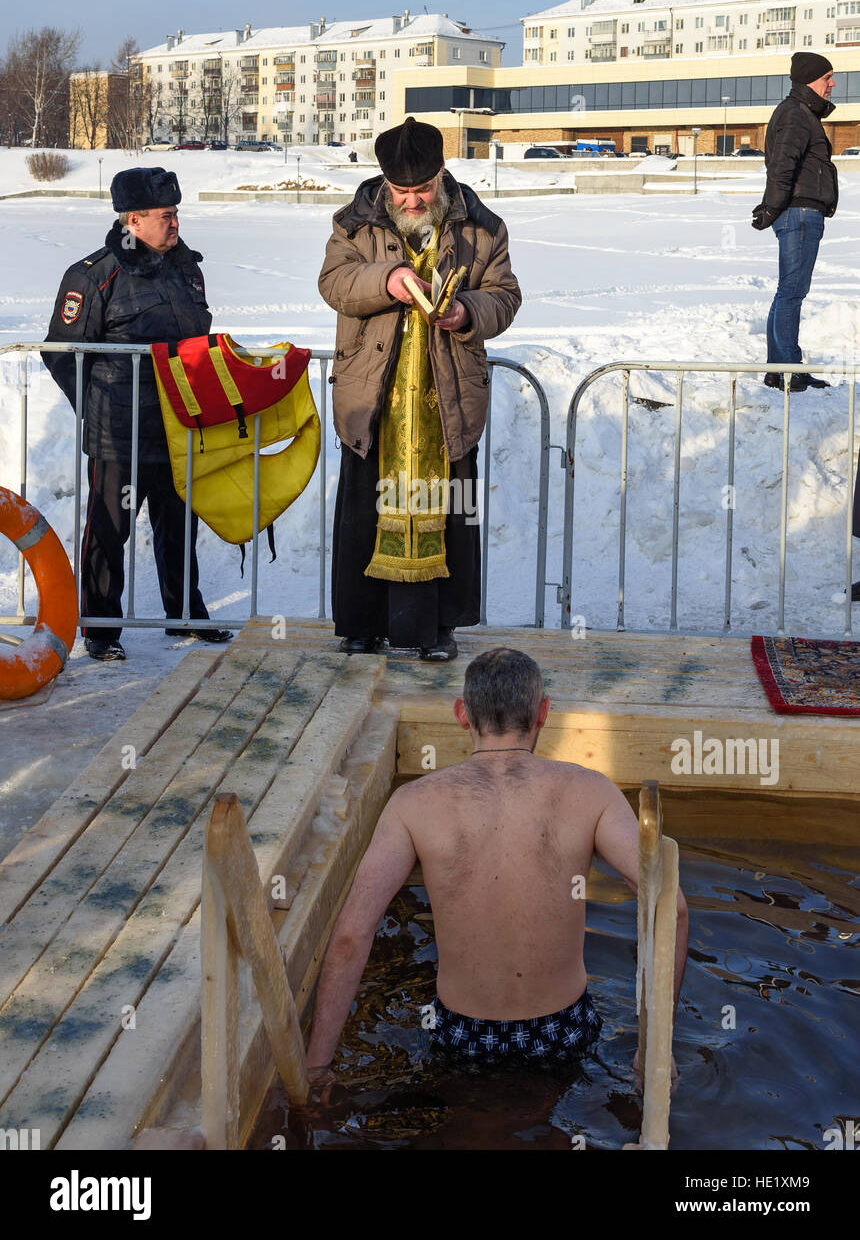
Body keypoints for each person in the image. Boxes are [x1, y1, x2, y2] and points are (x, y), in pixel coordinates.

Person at [306, 647, 688, 1079]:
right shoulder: (591, 792)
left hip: (462, 1031)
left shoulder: (413, 803)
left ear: (461, 714)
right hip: (561, 1028)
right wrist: (655, 1048)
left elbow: (350, 938)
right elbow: (669, 906)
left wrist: (317, 1065)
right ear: (543, 713)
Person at [318, 118, 521, 661]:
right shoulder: (355, 224)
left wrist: (465, 311)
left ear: (442, 175)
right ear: (385, 183)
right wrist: (385, 280)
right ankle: (361, 625)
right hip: (374, 397)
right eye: (402, 191)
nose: (412, 201)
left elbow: (504, 296)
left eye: (423, 189)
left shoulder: (483, 227)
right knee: (367, 512)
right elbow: (334, 283)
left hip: (446, 398)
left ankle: (437, 628)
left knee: (448, 512)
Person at [42, 167, 233, 661]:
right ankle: (102, 629)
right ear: (133, 220)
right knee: (109, 530)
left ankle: (185, 615)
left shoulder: (187, 267)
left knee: (179, 527)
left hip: (177, 428)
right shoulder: (93, 274)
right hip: (120, 435)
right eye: (166, 216)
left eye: (176, 214)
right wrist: (99, 408)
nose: (175, 223)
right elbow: (62, 353)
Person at [752, 52, 838, 392]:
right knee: (792, 293)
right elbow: (782, 166)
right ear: (809, 80)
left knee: (786, 292)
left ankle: (778, 369)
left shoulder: (799, 113)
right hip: (800, 214)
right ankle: (789, 370)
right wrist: (772, 207)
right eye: (827, 77)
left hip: (799, 212)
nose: (832, 84)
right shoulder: (796, 115)